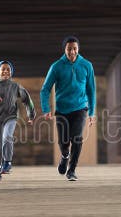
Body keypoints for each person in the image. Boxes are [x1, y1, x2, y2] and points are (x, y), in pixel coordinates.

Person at [40, 36, 96, 181]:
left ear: (78, 49)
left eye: (75, 49)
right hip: (62, 109)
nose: (72, 52)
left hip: (80, 108)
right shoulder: (56, 66)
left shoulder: (87, 65)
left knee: (77, 138)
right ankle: (65, 155)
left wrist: (91, 112)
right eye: (69, 49)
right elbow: (45, 89)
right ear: (65, 49)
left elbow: (91, 90)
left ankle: (71, 170)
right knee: (63, 141)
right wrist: (46, 109)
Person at [0, 60, 35, 181]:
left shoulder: (15, 86)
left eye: (8, 69)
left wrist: (31, 115)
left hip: (11, 117)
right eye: (3, 69)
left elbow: (26, 99)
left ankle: (7, 162)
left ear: (11, 72)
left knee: (7, 136)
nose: (5, 71)